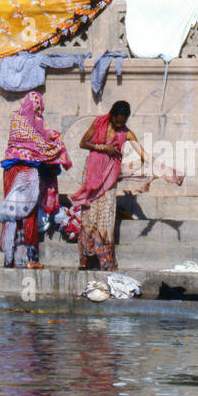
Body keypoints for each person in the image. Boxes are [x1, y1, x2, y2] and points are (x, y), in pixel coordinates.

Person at [70, 101, 149, 272]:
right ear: (112, 115)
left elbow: (142, 153)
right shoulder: (99, 122)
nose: (119, 124)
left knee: (106, 219)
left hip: (110, 180)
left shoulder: (126, 133)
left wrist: (156, 168)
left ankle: (105, 260)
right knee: (89, 217)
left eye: (123, 122)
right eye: (117, 121)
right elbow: (83, 143)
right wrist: (104, 148)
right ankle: (84, 259)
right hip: (92, 175)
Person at [0, 90, 71, 269]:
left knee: (12, 213)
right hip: (27, 172)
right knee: (28, 214)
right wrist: (56, 143)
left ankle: (10, 259)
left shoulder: (16, 120)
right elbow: (43, 147)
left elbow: (25, 145)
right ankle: (30, 260)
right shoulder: (36, 122)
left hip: (9, 171)